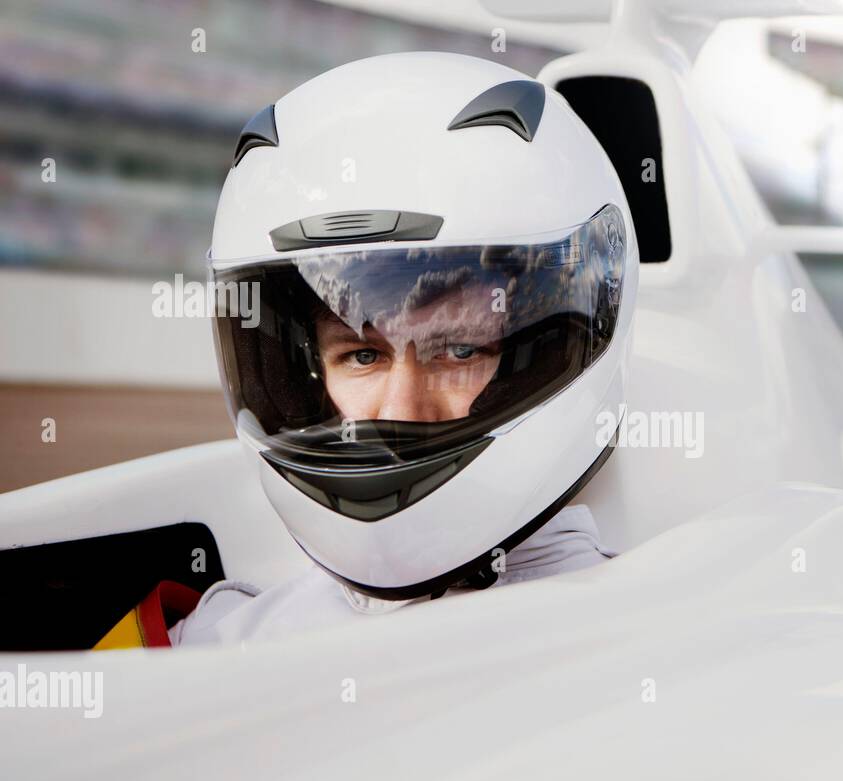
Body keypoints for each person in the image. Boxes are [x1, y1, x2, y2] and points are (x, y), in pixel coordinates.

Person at [159, 51, 637, 647]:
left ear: (542, 356)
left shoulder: (639, 641)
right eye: (363, 356)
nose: (400, 409)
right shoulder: (216, 643)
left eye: (458, 350)